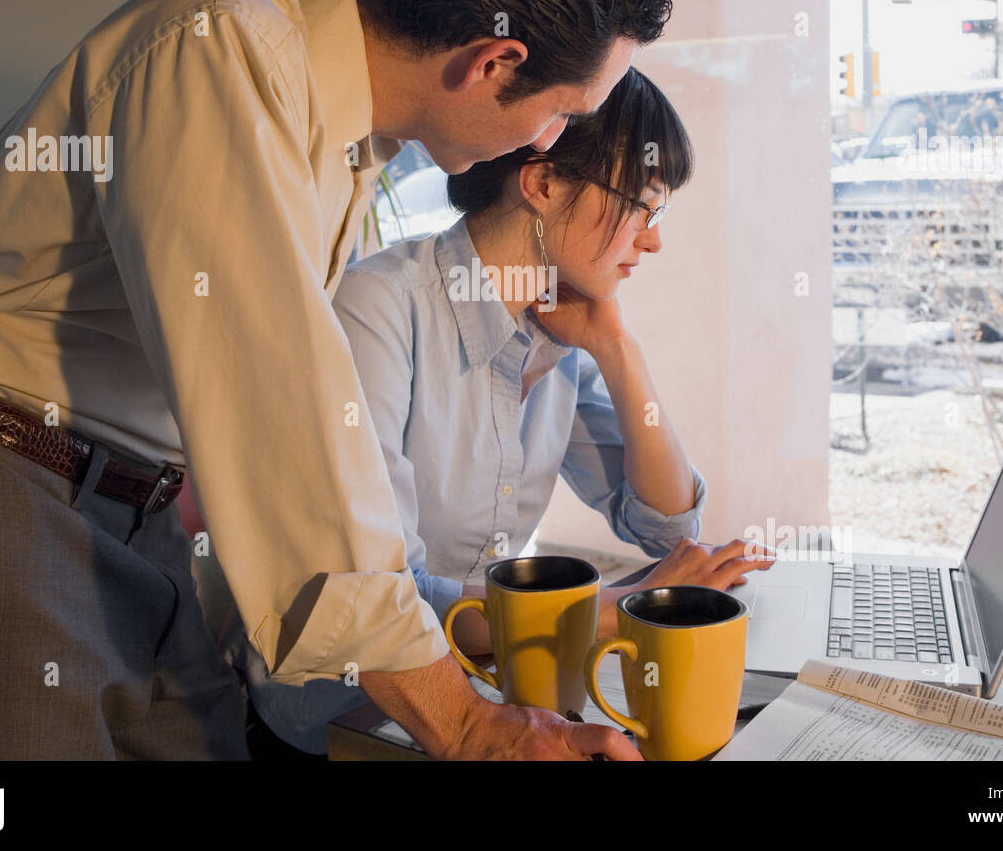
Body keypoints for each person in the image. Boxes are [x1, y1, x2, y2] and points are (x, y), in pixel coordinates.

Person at [0, 0, 671, 760]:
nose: (550, 140)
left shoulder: (338, 135)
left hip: (129, 508)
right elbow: (283, 415)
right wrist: (471, 725)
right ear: (493, 62)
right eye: (564, 113)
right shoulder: (218, 49)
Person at [223, 67, 775, 756]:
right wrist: (612, 614)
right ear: (542, 184)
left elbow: (666, 524)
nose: (652, 239)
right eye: (642, 205)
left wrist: (618, 349)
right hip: (350, 715)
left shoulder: (557, 325)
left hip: (483, 691)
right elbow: (386, 595)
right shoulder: (381, 308)